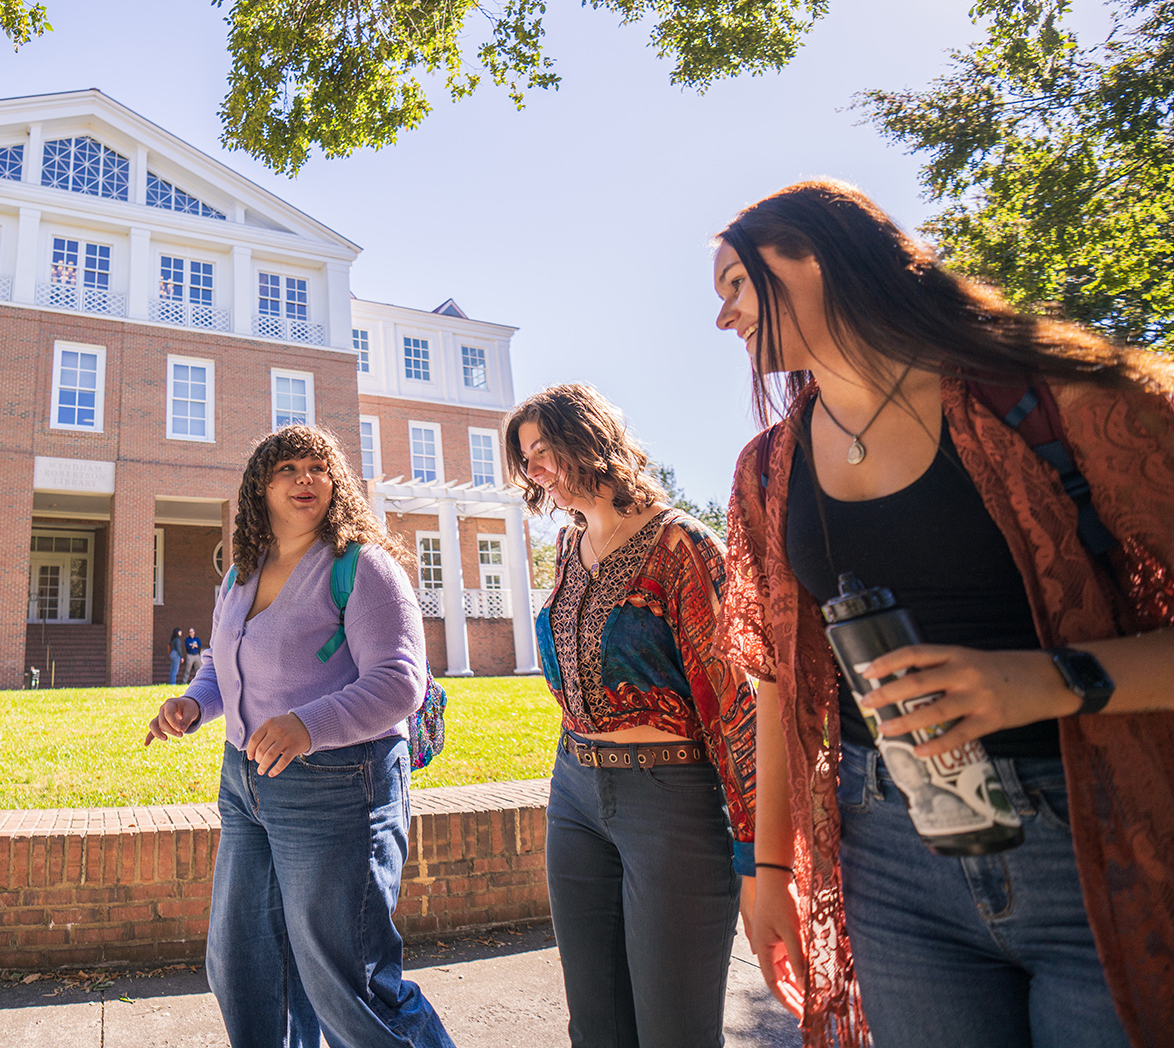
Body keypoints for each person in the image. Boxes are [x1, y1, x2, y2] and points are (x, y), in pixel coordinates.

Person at [712, 178, 1174, 1048]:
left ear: (814, 254)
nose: (726, 316)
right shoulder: (766, 469)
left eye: (737, 283)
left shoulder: (1056, 400)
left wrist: (1049, 682)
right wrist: (769, 868)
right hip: (888, 856)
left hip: (1094, 843)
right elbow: (776, 679)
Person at [142, 424, 455, 1048]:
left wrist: (307, 725)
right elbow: (220, 668)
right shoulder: (240, 574)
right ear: (260, 486)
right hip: (245, 784)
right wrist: (191, 706)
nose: (304, 478)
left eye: (318, 467)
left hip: (340, 785)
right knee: (243, 965)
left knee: (348, 982)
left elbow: (399, 683)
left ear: (336, 481)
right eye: (287, 468)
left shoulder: (362, 567)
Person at [502, 383, 758, 1047]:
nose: (534, 471)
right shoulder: (567, 548)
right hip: (574, 793)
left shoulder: (683, 546)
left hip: (671, 800)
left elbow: (735, 701)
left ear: (586, 440)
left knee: (674, 1031)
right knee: (596, 1026)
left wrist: (760, 846)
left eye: (542, 450)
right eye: (525, 460)